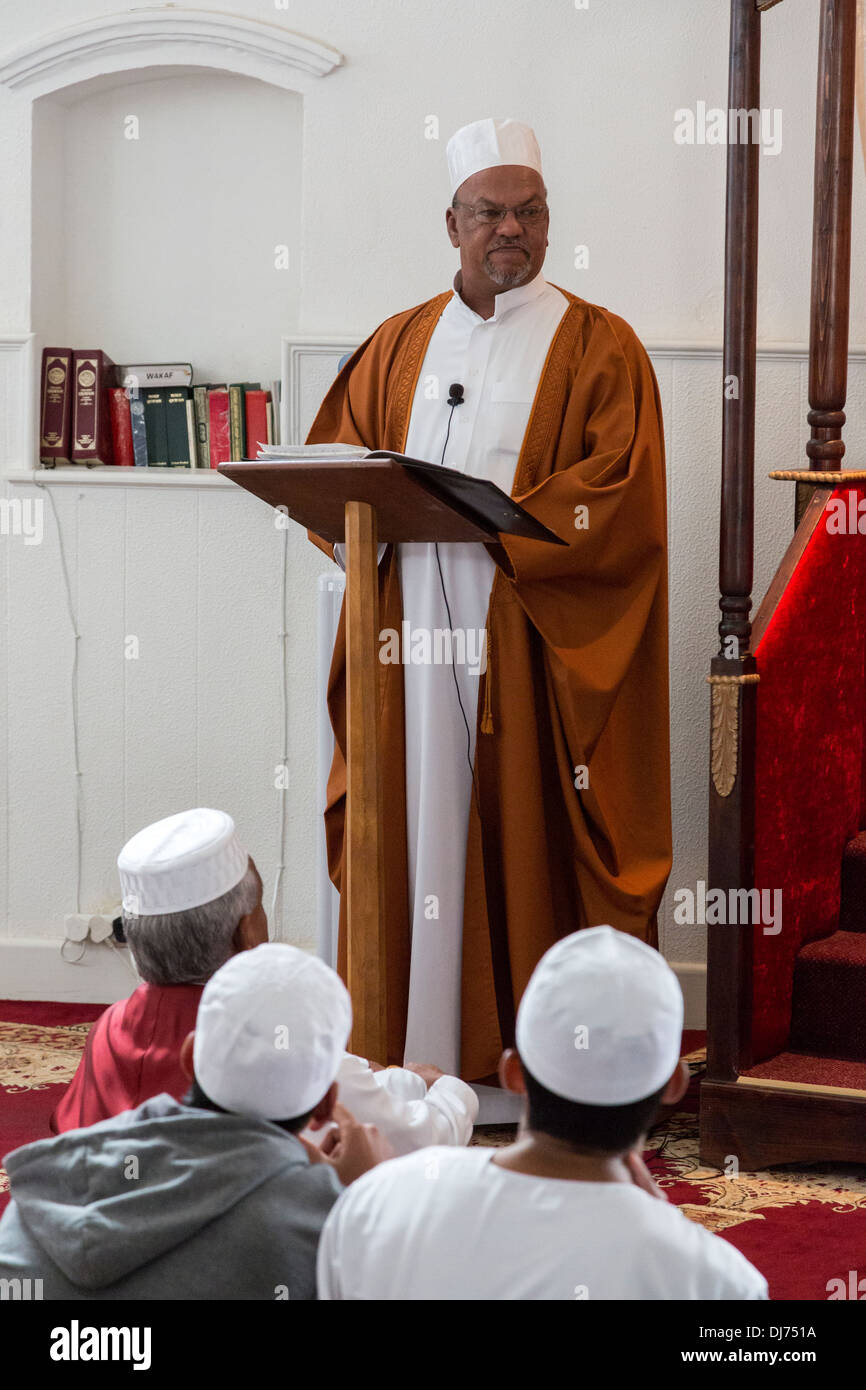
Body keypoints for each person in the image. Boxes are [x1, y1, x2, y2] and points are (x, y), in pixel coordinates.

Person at [306, 117, 671, 1086]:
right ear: (451, 222)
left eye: (528, 211)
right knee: (412, 830)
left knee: (514, 836)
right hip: (403, 646)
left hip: (521, 640)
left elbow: (619, 501)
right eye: (488, 212)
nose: (509, 228)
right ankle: (403, 1054)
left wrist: (504, 532)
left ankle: (524, 1066)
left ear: (547, 223)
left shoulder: (598, 347)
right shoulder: (397, 345)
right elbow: (335, 472)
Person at [316, 927, 769, 1301]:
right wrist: (660, 1228)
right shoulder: (716, 1281)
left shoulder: (377, 1199)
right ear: (675, 1084)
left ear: (512, 1074)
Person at [51, 808, 477, 1152]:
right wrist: (450, 1090)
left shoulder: (108, 1028)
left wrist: (394, 1079)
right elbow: (416, 1139)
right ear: (247, 931)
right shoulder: (278, 1046)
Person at [0, 943, 388, 1300]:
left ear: (188, 1058)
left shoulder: (45, 1183)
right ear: (326, 1104)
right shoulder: (324, 1235)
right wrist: (364, 1201)